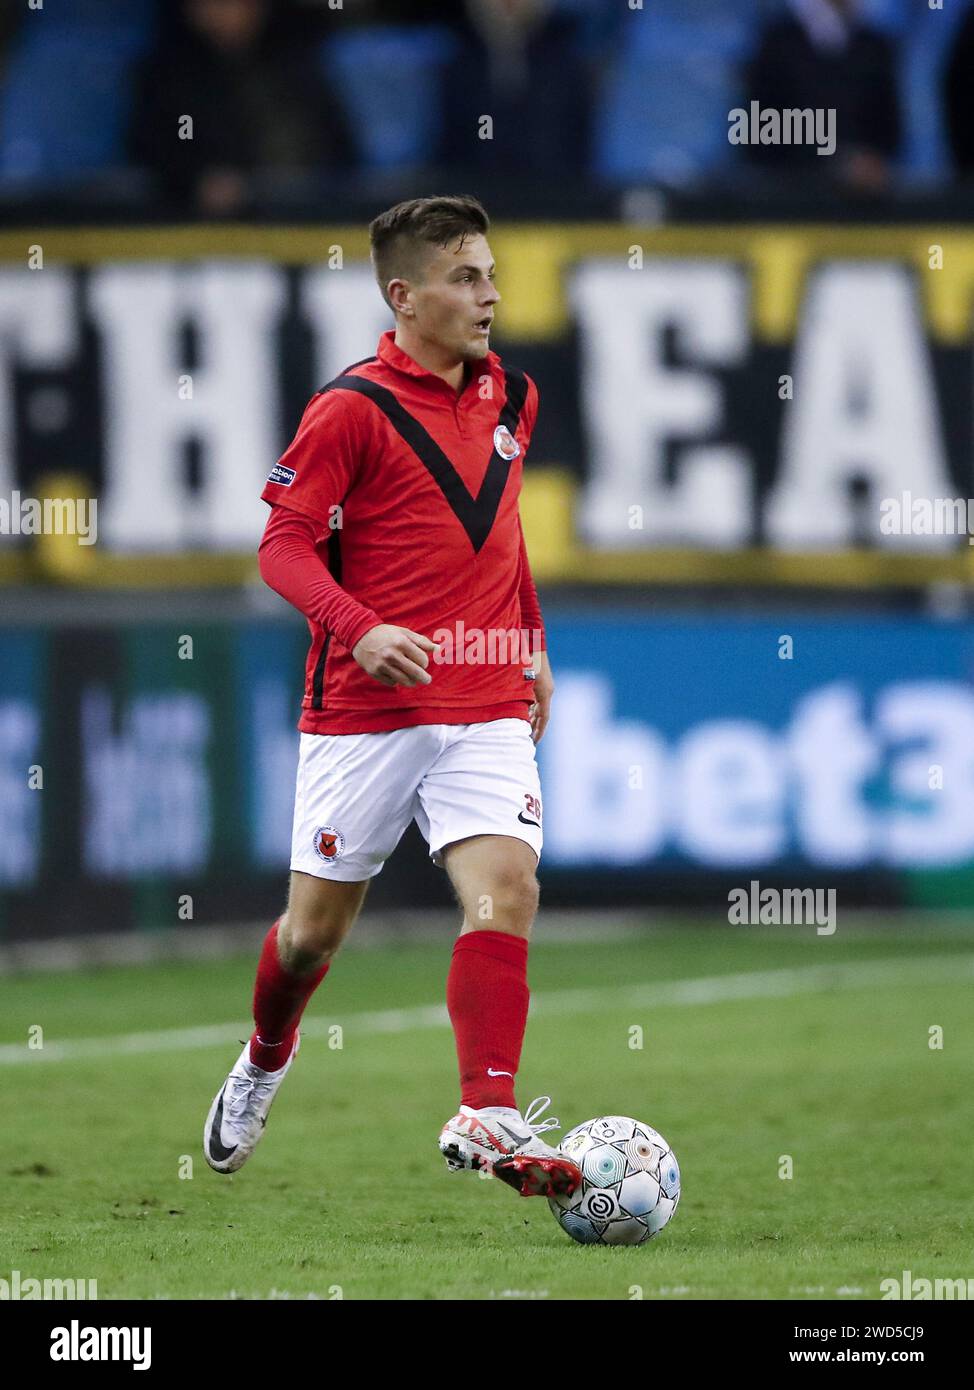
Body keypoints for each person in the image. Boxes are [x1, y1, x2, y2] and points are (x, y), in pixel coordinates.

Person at [203, 194, 582, 1201]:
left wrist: (531, 642)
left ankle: (487, 1106)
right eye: (465, 278)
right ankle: (265, 1056)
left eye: (491, 275)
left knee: (508, 886)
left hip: (484, 694)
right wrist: (358, 626)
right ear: (403, 296)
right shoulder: (350, 409)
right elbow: (282, 546)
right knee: (309, 937)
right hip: (367, 712)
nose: (489, 296)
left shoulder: (512, 395)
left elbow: (499, 530)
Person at [129, 0, 352, 216]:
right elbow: (151, 149)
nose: (234, 11)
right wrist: (194, 181)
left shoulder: (297, 64)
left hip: (303, 214)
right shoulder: (167, 76)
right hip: (198, 220)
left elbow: (337, 149)